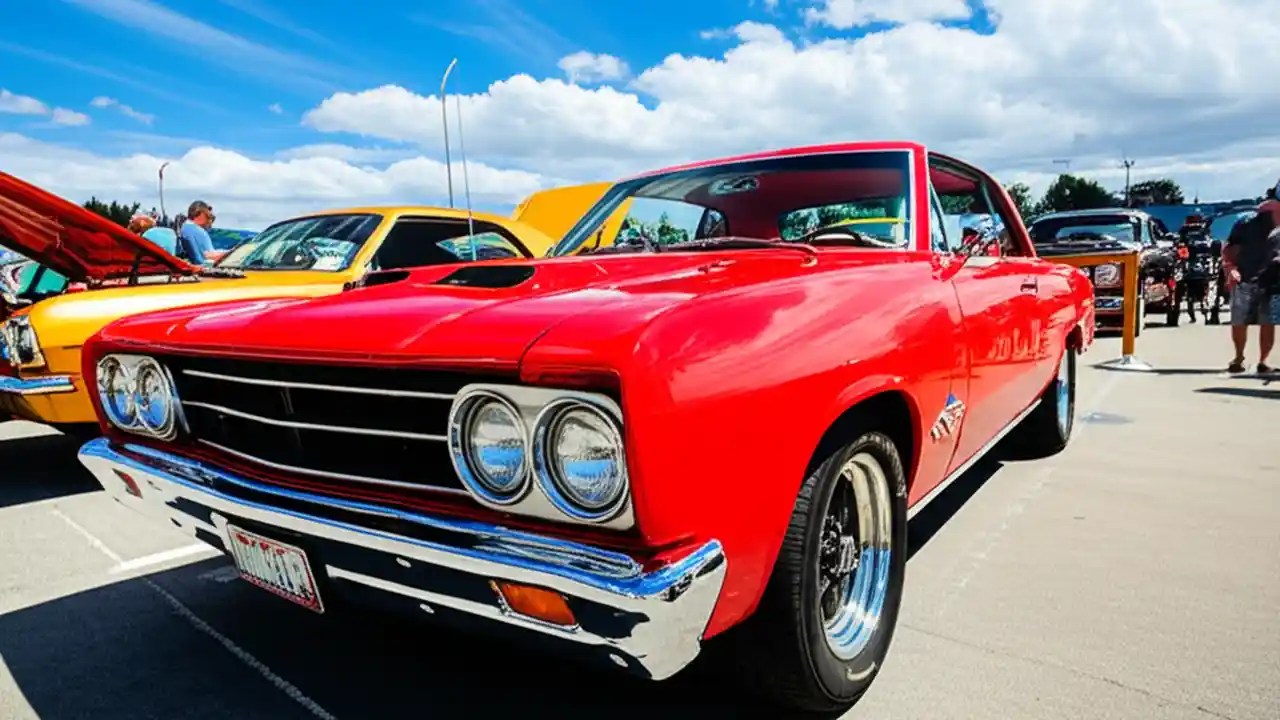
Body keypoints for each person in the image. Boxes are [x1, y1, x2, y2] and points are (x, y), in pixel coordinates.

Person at [1221, 182, 1280, 373]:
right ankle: (1238, 357)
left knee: (1268, 321)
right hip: (1245, 277)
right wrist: (1231, 269)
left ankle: (1263, 361)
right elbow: (1229, 248)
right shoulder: (1247, 224)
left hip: (1272, 282)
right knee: (1240, 320)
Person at [179, 200, 217, 265]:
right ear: (201, 214)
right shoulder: (198, 232)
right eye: (208, 216)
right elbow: (210, 258)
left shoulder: (185, 228)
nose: (209, 221)